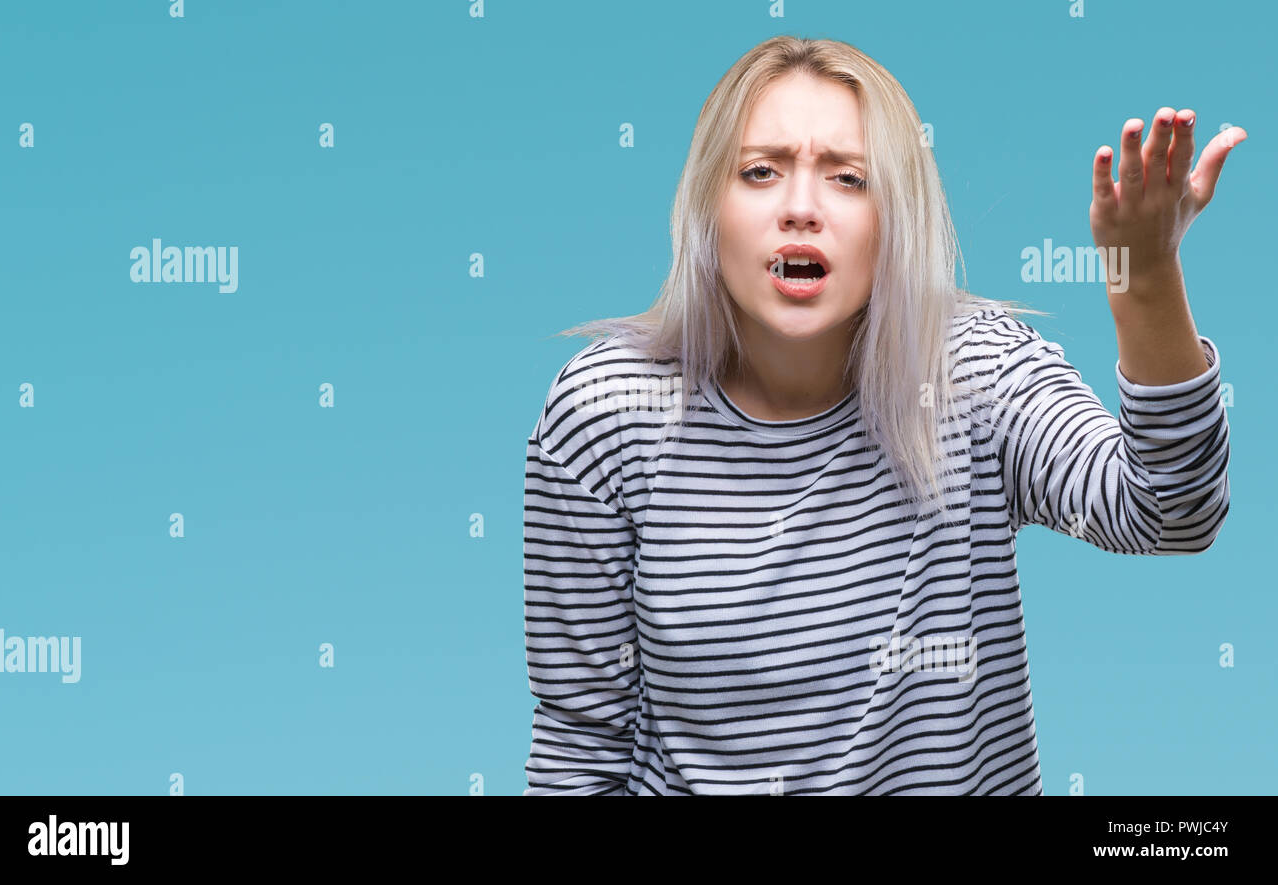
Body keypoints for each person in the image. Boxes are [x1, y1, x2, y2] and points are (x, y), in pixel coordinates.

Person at [521, 35, 1240, 795]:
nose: (801, 208)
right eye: (760, 172)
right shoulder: (605, 416)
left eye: (848, 178)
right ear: (708, 208)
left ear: (896, 218)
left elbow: (1169, 513)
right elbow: (581, 738)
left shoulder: (976, 374)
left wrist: (1148, 276)